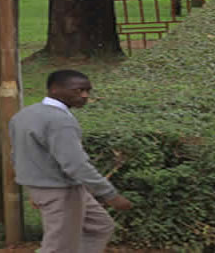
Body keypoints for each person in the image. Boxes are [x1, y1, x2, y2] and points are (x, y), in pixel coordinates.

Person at [12, 70, 134, 253]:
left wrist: (34, 187)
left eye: (87, 91)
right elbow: (76, 164)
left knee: (99, 226)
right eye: (78, 90)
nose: (84, 95)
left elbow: (19, 153)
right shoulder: (59, 121)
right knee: (60, 246)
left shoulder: (25, 114)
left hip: (48, 187)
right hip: (61, 190)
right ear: (55, 89)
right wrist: (110, 195)